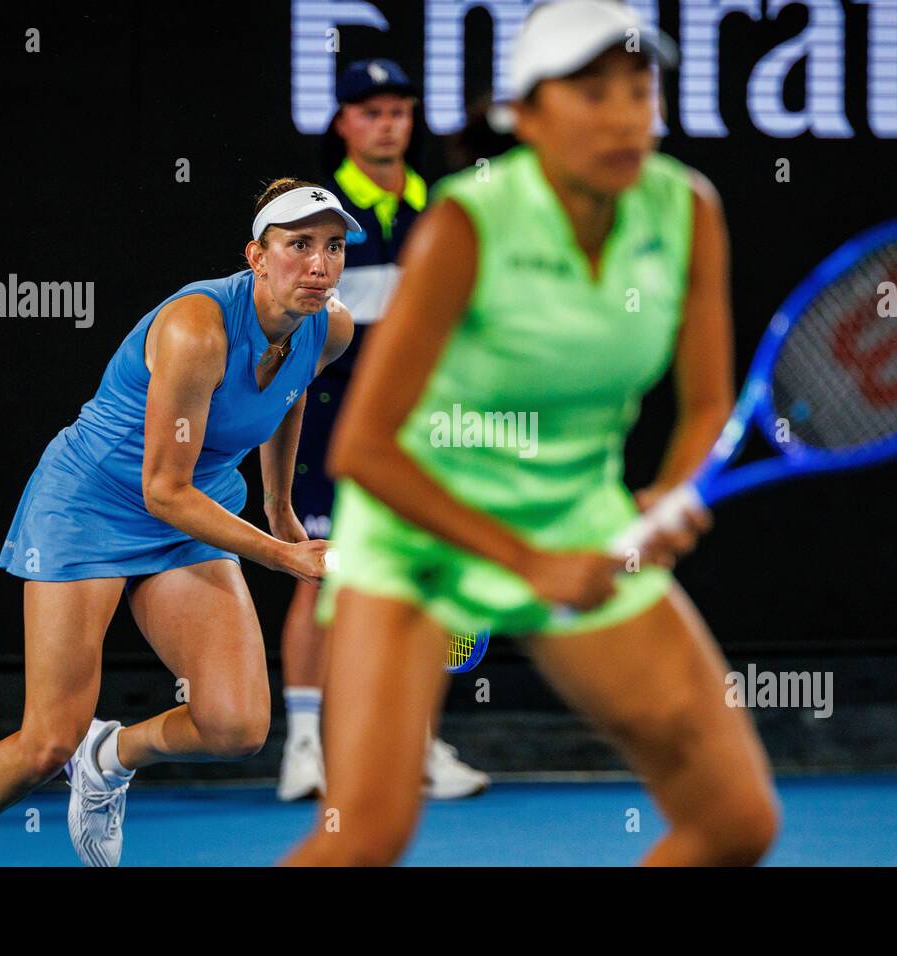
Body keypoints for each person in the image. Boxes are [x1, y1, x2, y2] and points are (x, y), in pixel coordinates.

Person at [283, 0, 780, 866]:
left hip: (579, 519)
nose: (627, 115)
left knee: (737, 821)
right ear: (530, 113)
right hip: (418, 534)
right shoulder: (467, 227)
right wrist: (528, 563)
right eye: (594, 93)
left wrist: (669, 496)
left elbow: (707, 405)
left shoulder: (686, 209)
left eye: (639, 89)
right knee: (364, 836)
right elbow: (363, 449)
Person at [0, 179, 357, 867]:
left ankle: (110, 757)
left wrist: (280, 507)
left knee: (236, 727)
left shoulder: (329, 325)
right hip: (91, 503)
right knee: (47, 742)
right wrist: (285, 557)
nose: (319, 265)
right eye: (298, 246)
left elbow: (288, 401)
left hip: (191, 505)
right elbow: (163, 490)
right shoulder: (196, 328)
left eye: (334, 247)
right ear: (257, 256)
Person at [278, 58, 488, 801]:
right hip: (332, 426)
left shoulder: (451, 207)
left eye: (398, 109)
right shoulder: (319, 217)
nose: (387, 123)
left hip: (425, 432)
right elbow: (292, 320)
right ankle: (304, 748)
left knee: (424, 585)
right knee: (320, 578)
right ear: (342, 123)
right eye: (370, 111)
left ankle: (418, 743)